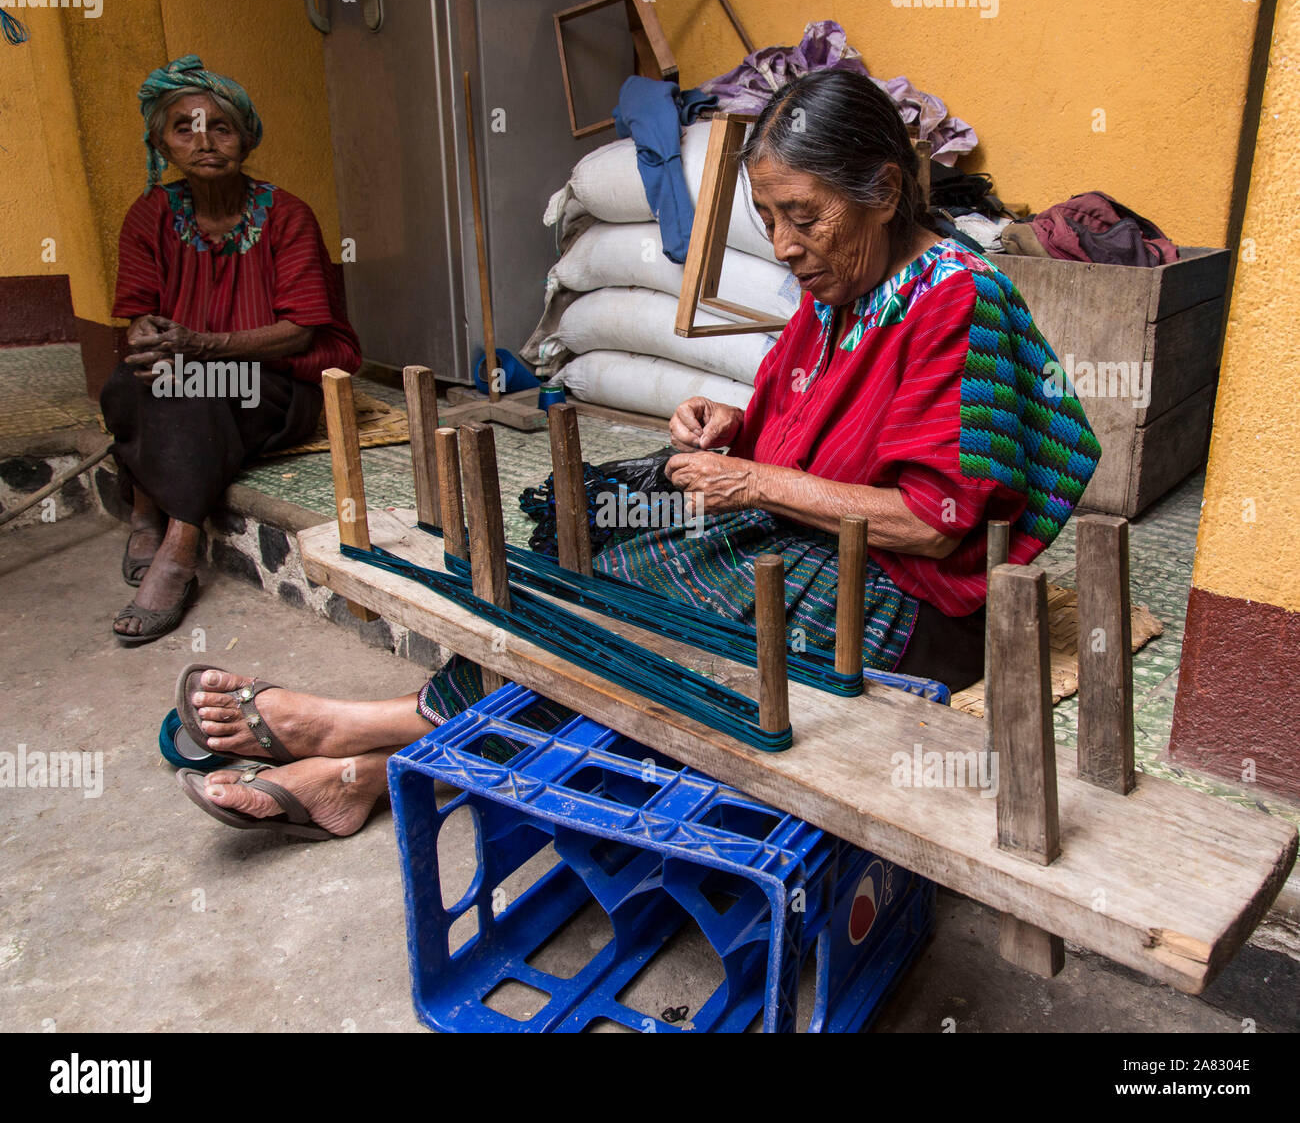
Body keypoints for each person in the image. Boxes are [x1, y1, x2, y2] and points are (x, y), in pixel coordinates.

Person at [176, 67, 1099, 839]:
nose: (783, 248)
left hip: (910, 602)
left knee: (642, 607)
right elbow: (807, 412)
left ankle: (371, 739)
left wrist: (749, 479)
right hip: (826, 537)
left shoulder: (959, 301)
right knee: (591, 528)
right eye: (768, 218)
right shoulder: (846, 277)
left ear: (886, 192)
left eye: (803, 218)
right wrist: (731, 427)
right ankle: (379, 767)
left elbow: (932, 525)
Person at [103, 55, 360, 645]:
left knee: (191, 392)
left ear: (245, 137)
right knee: (130, 382)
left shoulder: (287, 215)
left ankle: (176, 541)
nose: (203, 141)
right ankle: (146, 510)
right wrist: (147, 339)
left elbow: (298, 332)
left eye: (220, 126)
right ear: (160, 143)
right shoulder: (149, 215)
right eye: (183, 128)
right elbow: (140, 312)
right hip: (186, 380)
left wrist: (197, 344)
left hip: (276, 380)